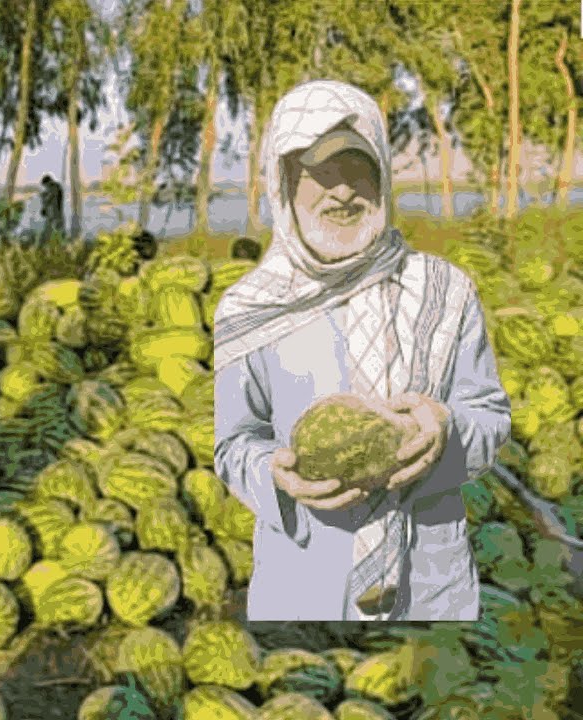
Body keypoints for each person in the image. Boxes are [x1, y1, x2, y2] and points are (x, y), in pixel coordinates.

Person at [212, 80, 511, 623]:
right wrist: (277, 477)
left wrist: (446, 430)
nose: (341, 192)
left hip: (429, 593)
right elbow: (233, 443)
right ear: (284, 183)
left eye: (356, 168)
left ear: (383, 176)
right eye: (317, 172)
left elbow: (490, 418)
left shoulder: (446, 289)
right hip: (302, 593)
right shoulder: (247, 306)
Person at [39, 174, 65, 242]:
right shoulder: (55, 187)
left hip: (56, 215)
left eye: (45, 185)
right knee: (52, 233)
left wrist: (43, 197)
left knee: (57, 233)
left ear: (48, 182)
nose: (46, 187)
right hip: (53, 215)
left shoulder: (54, 187)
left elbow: (49, 199)